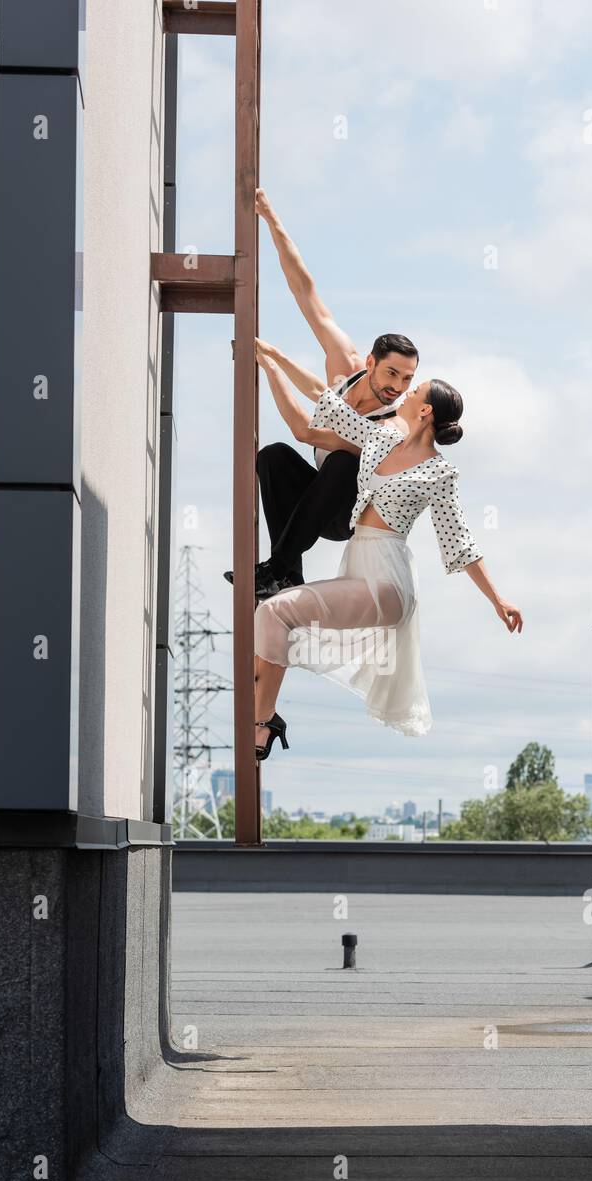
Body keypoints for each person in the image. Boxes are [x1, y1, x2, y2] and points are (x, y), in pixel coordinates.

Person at [251, 343, 524, 758]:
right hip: (357, 571)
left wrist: (497, 599)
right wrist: (272, 361)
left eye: (416, 390)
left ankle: (260, 719)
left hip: (386, 583)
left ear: (426, 410)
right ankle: (263, 717)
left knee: (275, 611)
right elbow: (324, 397)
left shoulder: (439, 472)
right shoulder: (379, 439)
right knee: (271, 615)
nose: (406, 392)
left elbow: (461, 545)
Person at [224, 189, 419, 602]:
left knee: (344, 463)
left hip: (342, 514)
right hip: (311, 494)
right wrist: (270, 218)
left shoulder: (390, 424)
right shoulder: (344, 370)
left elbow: (306, 431)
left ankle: (277, 566)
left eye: (407, 379)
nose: (397, 387)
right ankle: (288, 575)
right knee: (272, 457)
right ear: (369, 362)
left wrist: (271, 363)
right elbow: (305, 292)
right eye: (391, 373)